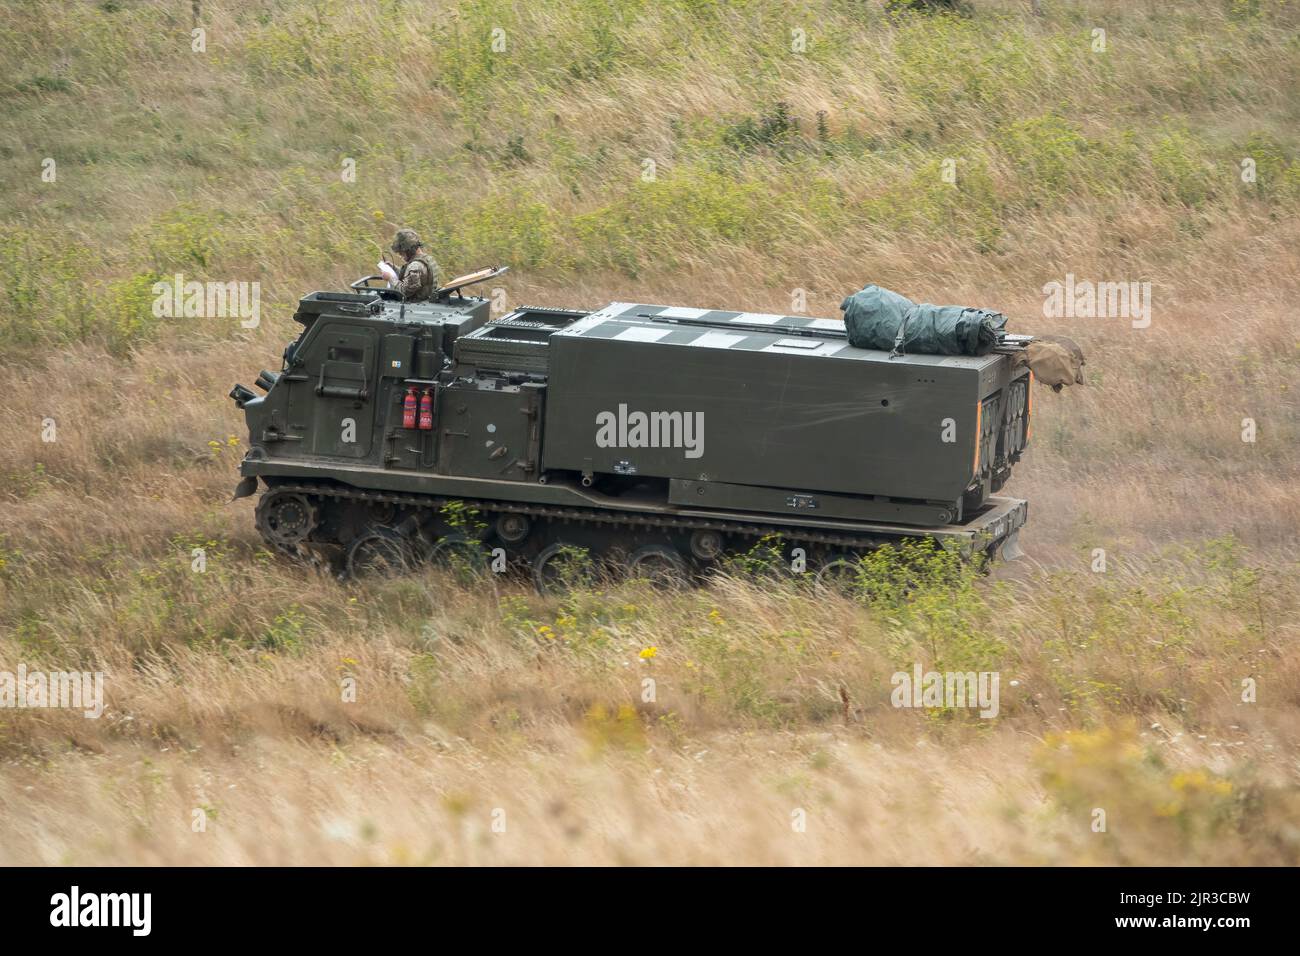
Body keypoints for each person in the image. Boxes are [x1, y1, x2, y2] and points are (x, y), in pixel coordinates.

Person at [387, 229, 439, 302]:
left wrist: (390, 278)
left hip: (415, 306)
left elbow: (404, 292)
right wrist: (394, 268)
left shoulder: (415, 266)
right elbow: (415, 278)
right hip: (428, 300)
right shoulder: (429, 259)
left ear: (408, 251)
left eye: (401, 253)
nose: (401, 256)